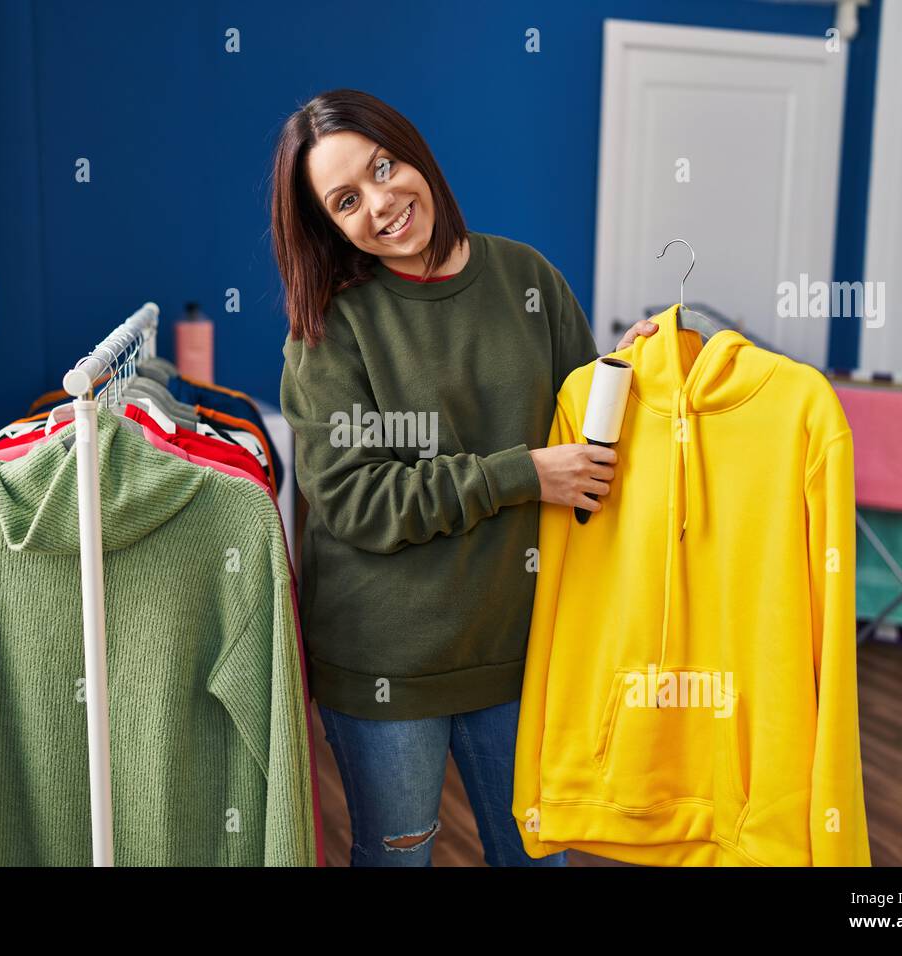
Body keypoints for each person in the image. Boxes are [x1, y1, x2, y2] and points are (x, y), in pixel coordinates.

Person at [272, 88, 656, 866]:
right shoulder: (331, 330)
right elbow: (353, 500)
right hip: (388, 662)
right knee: (400, 858)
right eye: (347, 200)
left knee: (536, 857)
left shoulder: (527, 278)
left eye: (384, 168)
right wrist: (519, 476)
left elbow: (586, 444)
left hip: (519, 645)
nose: (381, 204)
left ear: (412, 151)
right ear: (328, 225)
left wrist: (640, 375)